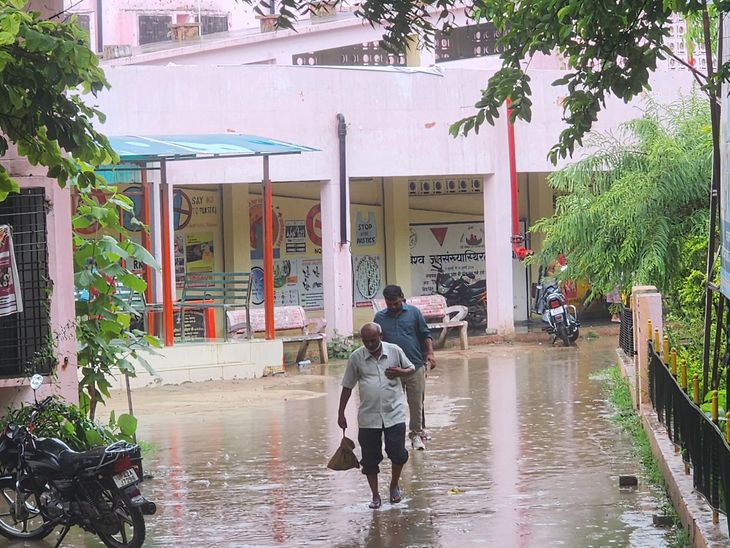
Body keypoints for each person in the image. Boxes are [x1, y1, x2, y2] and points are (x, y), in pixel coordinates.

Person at [337, 322, 415, 509]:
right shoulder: (356, 357)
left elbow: (411, 369)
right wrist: (340, 413)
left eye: (373, 340)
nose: (370, 344)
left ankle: (394, 485)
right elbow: (347, 386)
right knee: (370, 459)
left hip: (394, 414)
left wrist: (401, 372)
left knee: (397, 453)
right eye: (366, 341)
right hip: (368, 417)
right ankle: (375, 495)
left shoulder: (394, 351)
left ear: (381, 336)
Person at [374, 285, 436, 451]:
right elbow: (374, 342)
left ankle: (416, 435)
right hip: (391, 369)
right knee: (391, 404)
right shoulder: (379, 318)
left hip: (415, 365)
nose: (393, 307)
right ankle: (393, 437)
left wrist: (430, 354)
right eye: (389, 304)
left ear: (402, 297)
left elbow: (425, 334)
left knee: (416, 403)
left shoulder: (414, 313)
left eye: (396, 303)